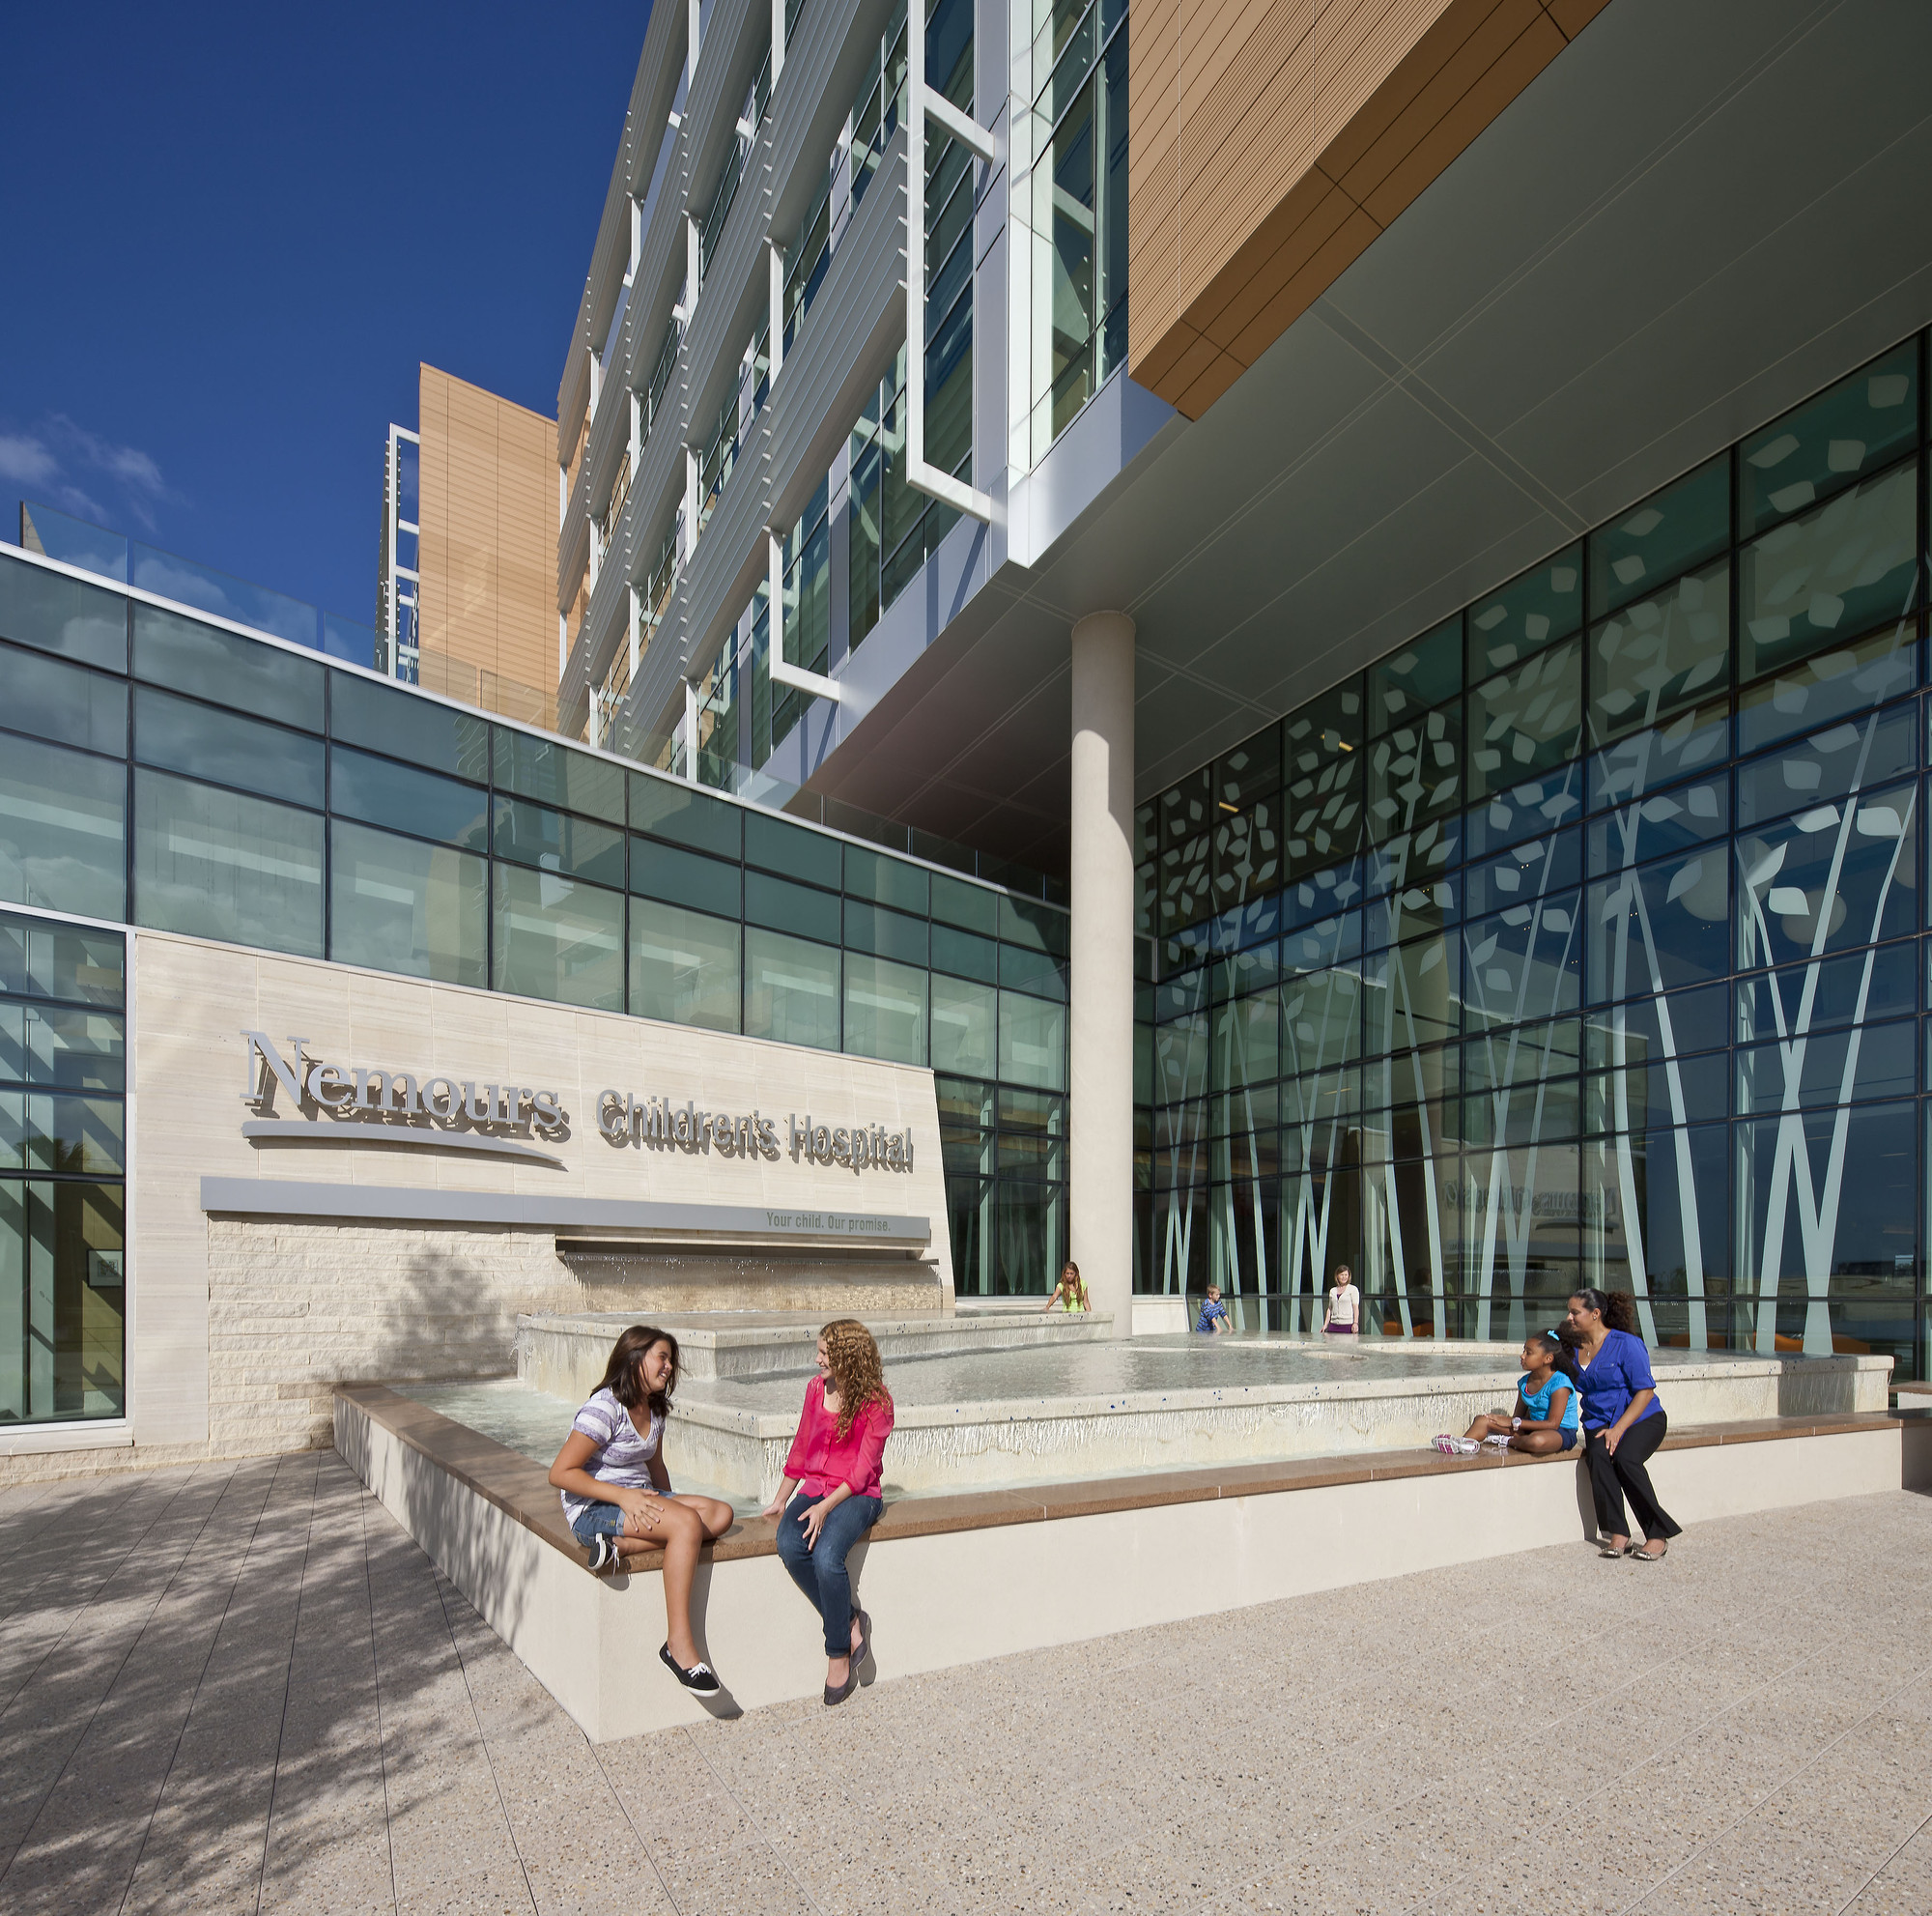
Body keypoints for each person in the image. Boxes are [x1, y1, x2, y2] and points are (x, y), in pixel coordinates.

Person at [548, 1325, 736, 1693]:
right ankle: (678, 1646)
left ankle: (619, 1546)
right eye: (662, 1357)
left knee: (720, 1515)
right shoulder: (605, 1407)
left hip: (640, 1498)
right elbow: (560, 1473)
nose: (668, 1367)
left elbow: (655, 1467)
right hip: (594, 1508)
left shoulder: (654, 1409)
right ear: (634, 1358)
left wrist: (668, 1503)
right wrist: (624, 1498)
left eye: (671, 1360)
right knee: (686, 1526)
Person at [762, 1318, 895, 1706]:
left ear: (847, 1358)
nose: (816, 1359)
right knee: (789, 1544)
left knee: (826, 1556)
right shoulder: (815, 1388)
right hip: (815, 1488)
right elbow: (802, 1445)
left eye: (824, 1353)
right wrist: (782, 1498)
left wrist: (824, 1506)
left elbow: (862, 1470)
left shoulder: (877, 1402)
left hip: (857, 1494)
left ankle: (837, 1654)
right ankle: (851, 1620)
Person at [1564, 1287, 1681, 1561]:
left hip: (1642, 1418)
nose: (1568, 1317)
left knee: (1626, 1459)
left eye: (1574, 1312)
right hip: (1599, 1422)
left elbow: (1645, 1392)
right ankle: (1619, 1533)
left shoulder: (1626, 1343)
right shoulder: (1571, 1352)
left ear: (1595, 1314)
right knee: (1598, 1456)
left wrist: (1618, 1429)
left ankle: (1657, 1534)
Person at [1463, 1332, 1580, 1454]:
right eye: (1524, 1351)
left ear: (1548, 1358)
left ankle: (1507, 1441)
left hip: (1560, 1432)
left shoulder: (1560, 1383)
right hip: (1531, 1428)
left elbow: (1553, 1424)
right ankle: (1461, 1445)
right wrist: (1502, 1421)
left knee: (1536, 1441)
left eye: (1528, 1353)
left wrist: (1512, 1422)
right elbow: (1518, 1417)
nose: (1522, 1356)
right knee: (1482, 1420)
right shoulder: (1524, 1383)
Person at [1323, 1265, 1361, 1337]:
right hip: (1333, 1325)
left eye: (1346, 1275)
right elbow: (1330, 1309)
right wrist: (1325, 1325)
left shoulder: (1353, 1289)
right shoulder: (1333, 1291)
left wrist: (1355, 1323)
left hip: (1347, 1326)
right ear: (1337, 1276)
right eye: (1341, 1275)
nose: (1344, 1277)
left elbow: (1355, 1307)